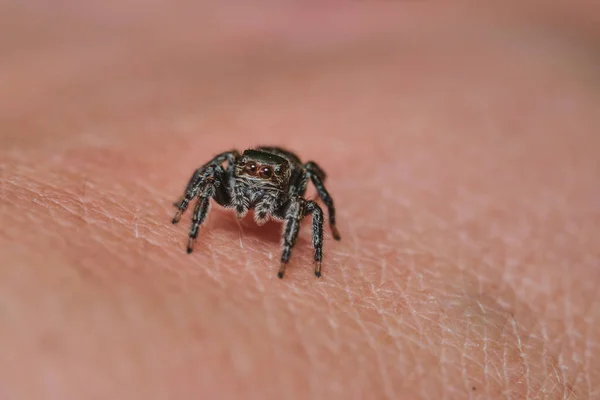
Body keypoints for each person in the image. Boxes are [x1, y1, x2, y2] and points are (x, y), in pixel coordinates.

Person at [1, 2, 598, 398]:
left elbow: (314, 194)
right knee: (211, 172)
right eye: (250, 180)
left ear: (282, 182)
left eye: (267, 184)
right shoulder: (232, 174)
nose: (256, 193)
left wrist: (311, 252)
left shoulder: (295, 194)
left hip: (297, 173)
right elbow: (210, 171)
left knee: (310, 207)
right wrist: (189, 216)